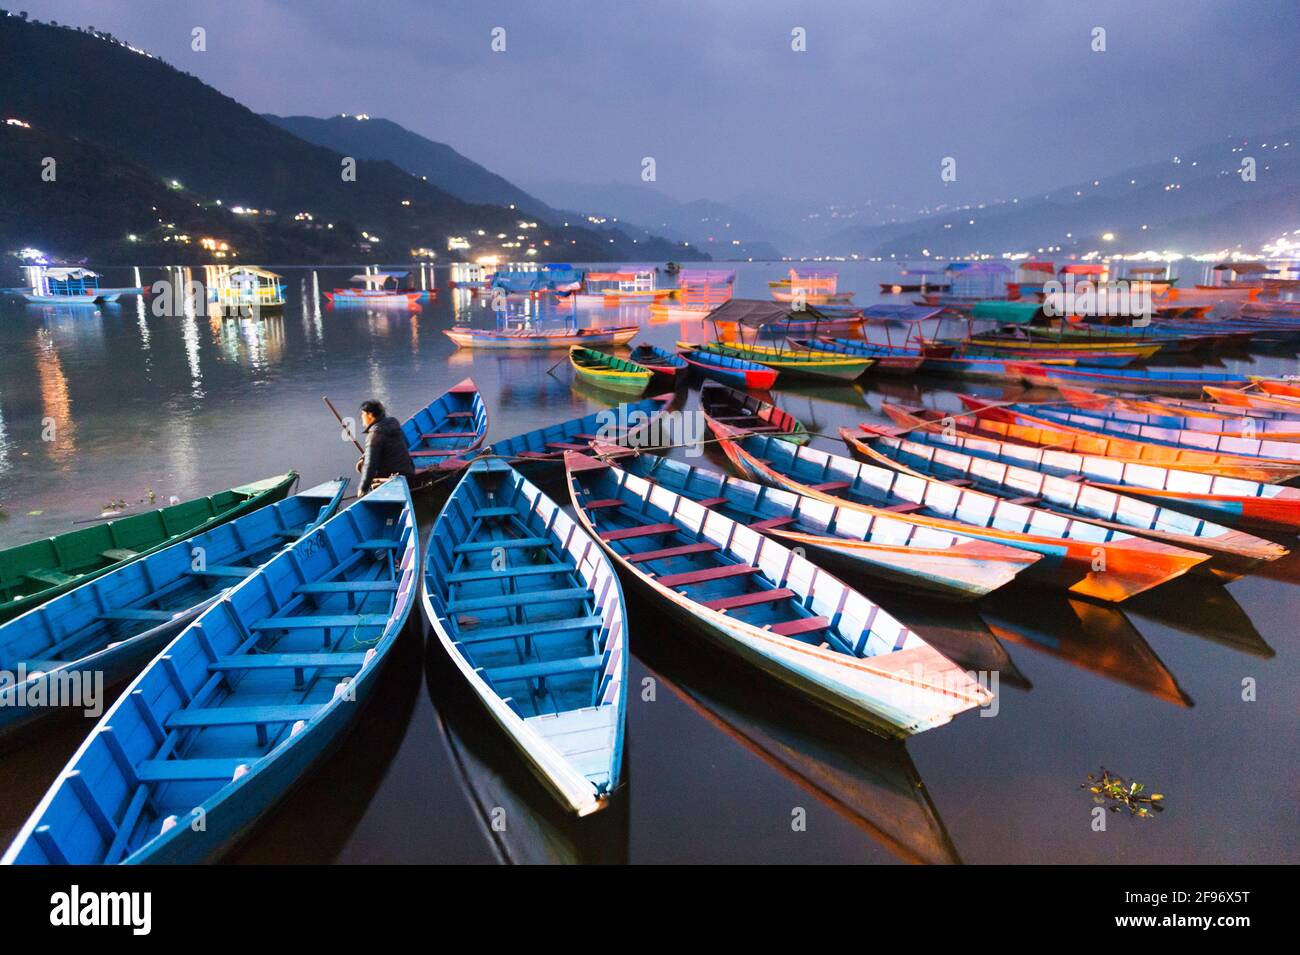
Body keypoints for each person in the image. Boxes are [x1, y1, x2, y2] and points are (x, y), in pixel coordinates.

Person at [356, 400, 415, 493]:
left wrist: (363, 488)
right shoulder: (393, 422)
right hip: (408, 472)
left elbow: (370, 464)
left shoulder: (374, 434)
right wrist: (364, 457)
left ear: (370, 415)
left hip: (392, 478)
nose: (361, 417)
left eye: (363, 414)